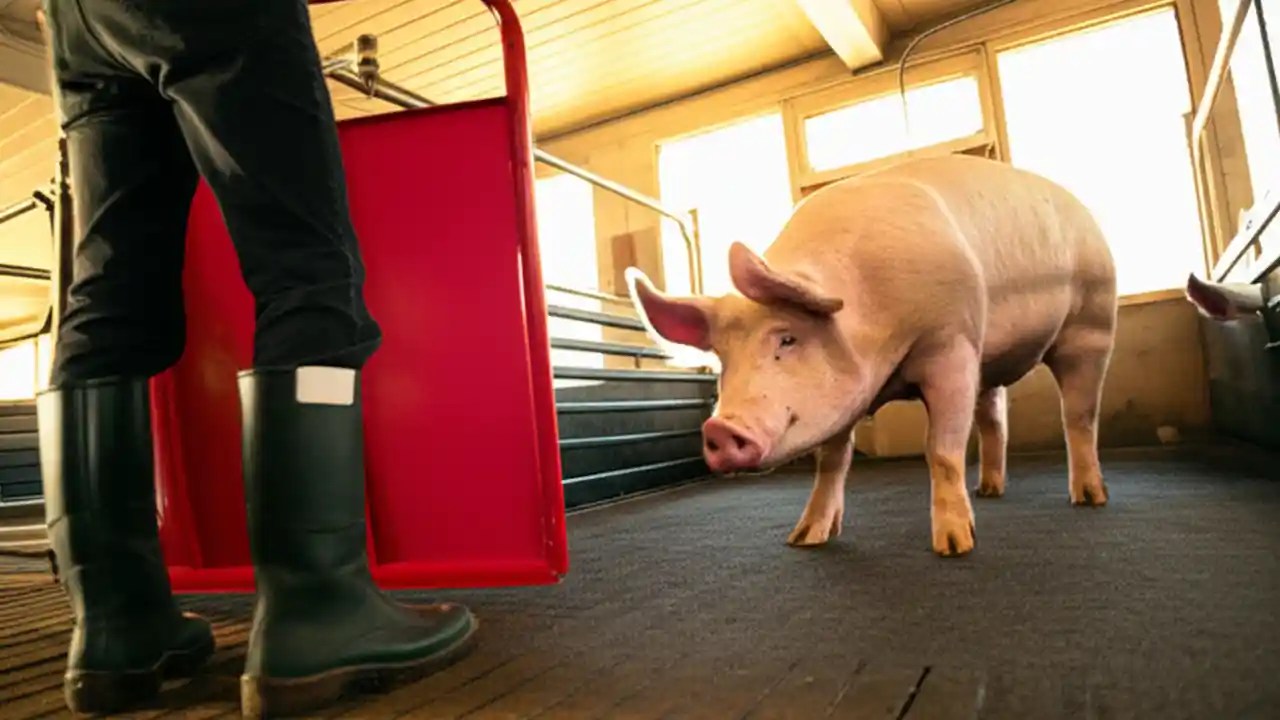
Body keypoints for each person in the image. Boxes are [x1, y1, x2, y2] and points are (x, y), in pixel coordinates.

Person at [34, 1, 478, 716]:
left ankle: (116, 625)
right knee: (307, 274)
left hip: (78, 19)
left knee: (109, 292)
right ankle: (317, 608)